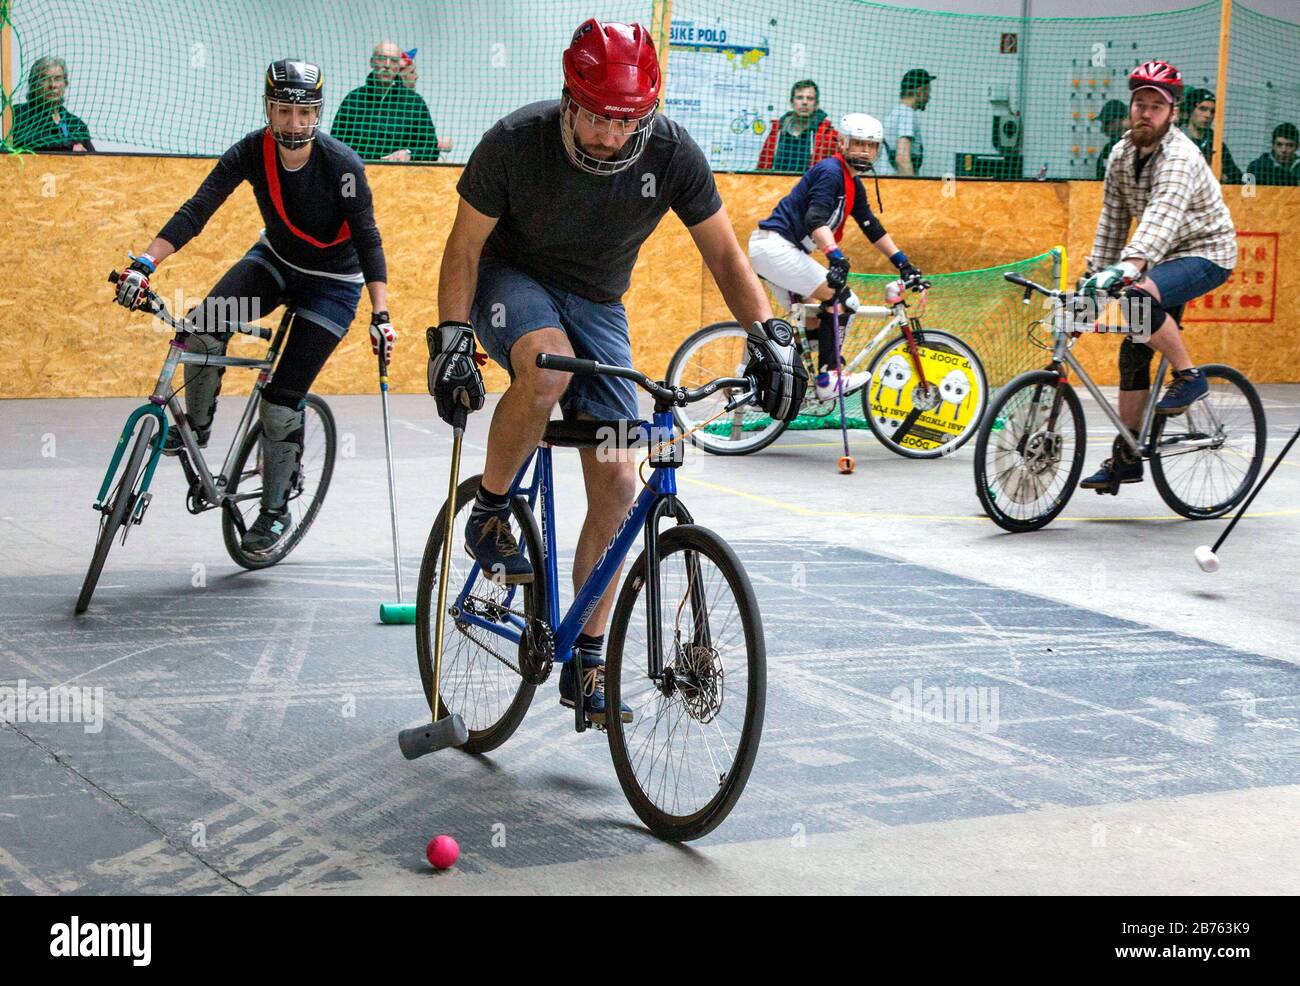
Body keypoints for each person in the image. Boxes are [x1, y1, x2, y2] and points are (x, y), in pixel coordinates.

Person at [429, 19, 805, 724]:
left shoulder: (670, 153)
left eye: (626, 122)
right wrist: (451, 337)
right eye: (597, 117)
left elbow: (726, 256)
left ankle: (589, 655)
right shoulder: (515, 142)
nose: (608, 135)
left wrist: (772, 334)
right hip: (512, 280)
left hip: (599, 302)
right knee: (545, 372)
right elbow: (463, 248)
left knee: (620, 482)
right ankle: (489, 511)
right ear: (568, 99)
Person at [112, 60, 394, 551]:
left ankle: (276, 511)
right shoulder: (250, 151)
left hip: (332, 285)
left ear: (318, 113)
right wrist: (144, 263)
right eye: (284, 111)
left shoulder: (342, 165)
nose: (294, 123)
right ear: (269, 109)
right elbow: (197, 209)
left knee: (280, 401)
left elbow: (368, 238)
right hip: (276, 262)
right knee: (201, 327)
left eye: (304, 113)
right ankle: (196, 432)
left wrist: (381, 315)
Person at [1078, 60, 1237, 493]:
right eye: (1139, 104)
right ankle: (1127, 458)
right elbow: (1112, 223)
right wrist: (1092, 281)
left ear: (1172, 113)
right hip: (1161, 257)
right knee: (1133, 355)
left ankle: (1190, 376)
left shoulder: (1182, 157)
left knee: (1135, 298)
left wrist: (1128, 269)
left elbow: (1159, 223)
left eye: (1156, 106)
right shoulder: (1120, 154)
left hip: (1206, 253)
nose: (1145, 113)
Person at [749, 112, 926, 399]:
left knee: (814, 323)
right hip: (775, 247)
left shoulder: (853, 183)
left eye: (872, 146)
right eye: (858, 143)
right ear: (842, 143)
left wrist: (903, 264)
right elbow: (815, 219)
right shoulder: (831, 172)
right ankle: (830, 376)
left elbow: (872, 227)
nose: (865, 151)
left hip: (777, 250)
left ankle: (769, 381)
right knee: (841, 298)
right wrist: (835, 257)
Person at [332, 41, 442, 162]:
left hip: (401, 177)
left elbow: (431, 148)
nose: (387, 65)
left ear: (399, 66)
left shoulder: (414, 103)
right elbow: (335, 146)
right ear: (372, 62)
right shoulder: (353, 100)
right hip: (359, 175)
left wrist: (409, 153)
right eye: (382, 59)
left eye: (394, 61)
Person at [9, 56, 94, 152]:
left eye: (57, 79)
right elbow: (28, 141)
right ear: (33, 84)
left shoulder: (76, 124)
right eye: (44, 79)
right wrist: (69, 147)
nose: (52, 85)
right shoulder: (17, 114)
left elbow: (96, 161)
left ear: (65, 84)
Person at [756, 79, 837, 173]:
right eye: (799, 97)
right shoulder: (777, 131)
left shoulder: (828, 136)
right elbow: (762, 168)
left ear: (816, 104)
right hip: (777, 186)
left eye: (810, 98)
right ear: (791, 102)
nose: (805, 102)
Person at [1178, 88, 1241, 184]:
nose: (1208, 115)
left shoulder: (1216, 143)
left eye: (1212, 111)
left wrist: (1224, 177)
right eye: (1203, 109)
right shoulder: (1177, 139)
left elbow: (1236, 176)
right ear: (1191, 110)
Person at [879, 68, 935, 177]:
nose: (929, 97)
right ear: (919, 92)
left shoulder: (895, 113)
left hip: (888, 181)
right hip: (898, 184)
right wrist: (912, 188)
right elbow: (902, 158)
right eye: (928, 92)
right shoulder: (907, 114)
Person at [1095, 100, 1128, 179]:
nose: (1103, 128)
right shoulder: (1108, 148)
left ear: (1122, 120)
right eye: (1103, 123)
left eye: (1107, 122)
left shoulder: (1133, 146)